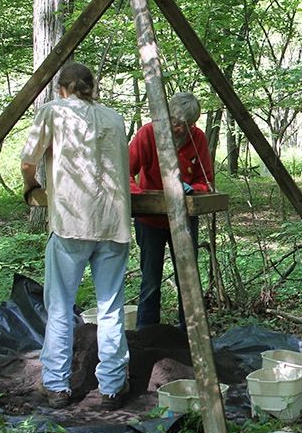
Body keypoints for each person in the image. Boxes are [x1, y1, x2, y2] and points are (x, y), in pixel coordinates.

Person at [20, 62, 132, 411]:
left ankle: (56, 386)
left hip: (70, 223)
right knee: (111, 308)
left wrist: (31, 187)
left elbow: (28, 161)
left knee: (60, 307)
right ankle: (112, 387)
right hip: (113, 224)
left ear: (61, 89)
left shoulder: (53, 112)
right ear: (91, 87)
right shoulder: (114, 118)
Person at [129, 92, 214, 332]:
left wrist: (192, 190)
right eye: (173, 122)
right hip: (150, 220)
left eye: (183, 125)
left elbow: (205, 181)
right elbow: (125, 172)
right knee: (151, 280)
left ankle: (190, 334)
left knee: (187, 279)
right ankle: (146, 335)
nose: (177, 129)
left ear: (193, 124)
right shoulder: (148, 133)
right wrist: (140, 196)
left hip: (184, 220)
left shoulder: (197, 138)